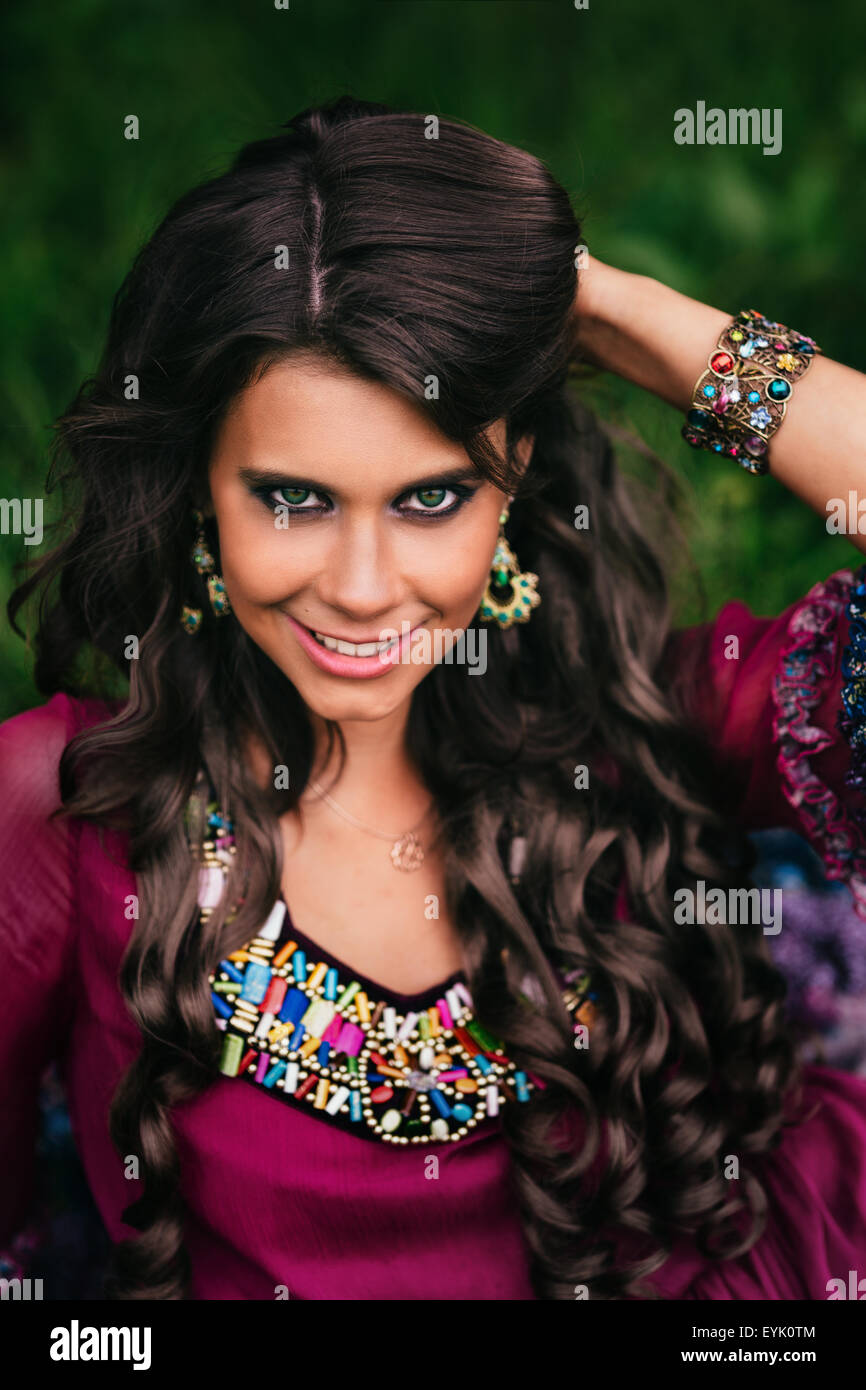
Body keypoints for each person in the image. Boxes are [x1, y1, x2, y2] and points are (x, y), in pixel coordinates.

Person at [1, 94, 865, 1302]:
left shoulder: (628, 719)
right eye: (292, 499)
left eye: (431, 498)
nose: (362, 591)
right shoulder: (66, 807)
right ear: (197, 486)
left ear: (514, 479)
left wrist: (631, 318)